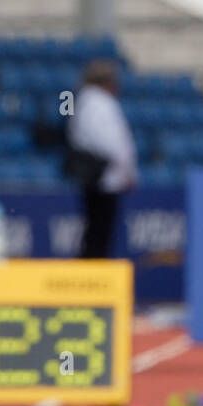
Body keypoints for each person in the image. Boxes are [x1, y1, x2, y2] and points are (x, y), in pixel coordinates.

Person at [66, 60, 138, 258]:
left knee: (94, 230)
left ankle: (92, 272)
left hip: (94, 175)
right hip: (106, 177)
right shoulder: (101, 104)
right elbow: (114, 143)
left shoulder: (83, 102)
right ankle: (96, 277)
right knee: (100, 231)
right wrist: (128, 171)